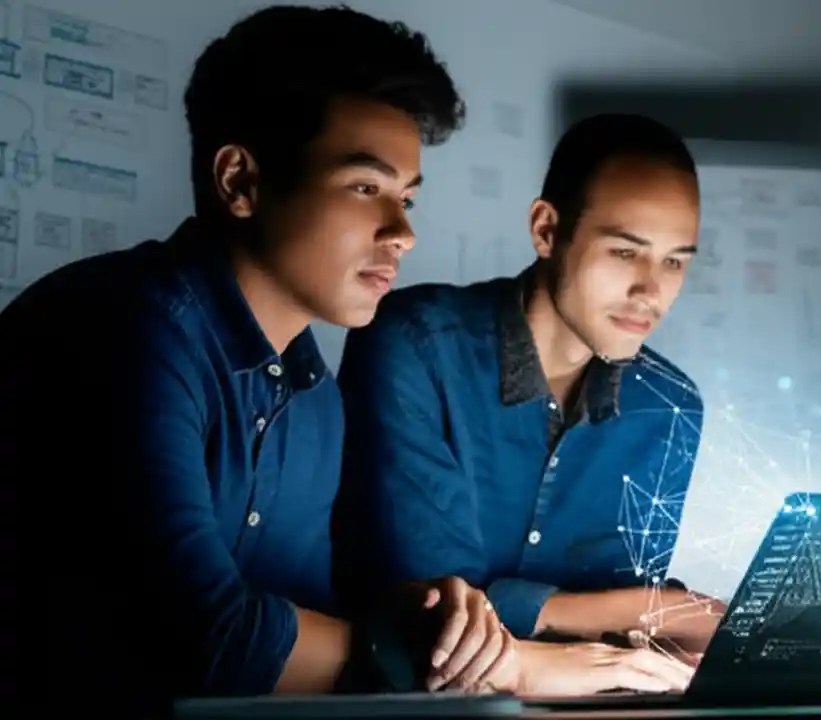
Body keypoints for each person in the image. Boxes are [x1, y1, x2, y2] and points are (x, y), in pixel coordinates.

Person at [0, 5, 513, 710]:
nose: (402, 234)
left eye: (407, 199)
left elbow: (300, 628)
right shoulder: (124, 330)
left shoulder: (315, 397)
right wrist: (458, 661)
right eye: (366, 187)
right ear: (240, 180)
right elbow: (213, 642)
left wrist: (435, 625)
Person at [335, 113, 718, 696]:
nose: (650, 290)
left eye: (674, 261)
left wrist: (671, 624)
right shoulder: (414, 347)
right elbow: (442, 619)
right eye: (624, 252)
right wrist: (651, 605)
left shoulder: (668, 407)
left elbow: (625, 639)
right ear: (546, 230)